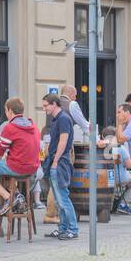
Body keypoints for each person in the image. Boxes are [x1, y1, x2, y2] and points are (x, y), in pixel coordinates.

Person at [0, 97, 40, 216]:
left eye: (5, 111)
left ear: (10, 111)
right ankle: (17, 195)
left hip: (17, 167)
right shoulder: (33, 125)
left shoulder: (10, 127)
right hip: (33, 169)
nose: (5, 113)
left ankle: (8, 198)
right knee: (4, 172)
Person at [41, 94, 78, 240]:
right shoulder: (57, 118)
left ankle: (73, 229)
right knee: (58, 199)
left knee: (63, 198)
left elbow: (63, 141)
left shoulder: (63, 118)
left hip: (61, 162)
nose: (44, 109)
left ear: (54, 104)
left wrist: (55, 161)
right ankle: (63, 228)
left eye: (45, 106)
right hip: (56, 161)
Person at [101, 125, 131, 214]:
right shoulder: (120, 148)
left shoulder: (99, 148)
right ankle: (123, 204)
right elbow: (129, 166)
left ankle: (113, 201)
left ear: (103, 136)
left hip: (103, 179)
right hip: (119, 178)